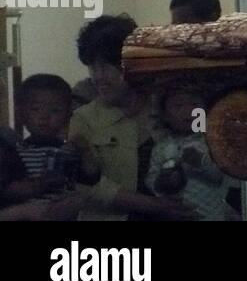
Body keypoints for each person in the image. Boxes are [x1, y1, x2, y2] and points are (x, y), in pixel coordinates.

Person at [68, 15, 193, 220]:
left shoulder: (168, 105)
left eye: (108, 66)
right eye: (92, 67)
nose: (98, 77)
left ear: (133, 61)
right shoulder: (83, 119)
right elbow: (85, 187)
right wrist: (154, 206)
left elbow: (204, 141)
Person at [145, 87, 238, 220]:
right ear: (165, 116)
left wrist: (201, 161)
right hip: (178, 212)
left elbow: (224, 176)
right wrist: (162, 181)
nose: (189, 111)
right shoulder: (161, 147)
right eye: (178, 106)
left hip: (215, 212)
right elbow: (152, 180)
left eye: (194, 104)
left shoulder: (214, 141)